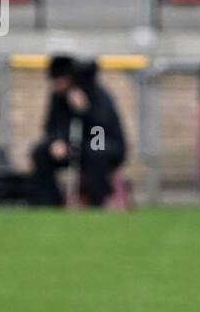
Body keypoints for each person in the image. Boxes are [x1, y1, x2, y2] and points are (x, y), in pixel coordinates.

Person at [30, 56, 128, 207]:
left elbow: (100, 130)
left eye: (60, 81)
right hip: (73, 146)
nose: (56, 85)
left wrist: (84, 110)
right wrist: (57, 141)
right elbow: (51, 125)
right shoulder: (57, 98)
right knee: (41, 152)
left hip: (104, 145)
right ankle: (50, 203)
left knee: (96, 152)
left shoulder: (97, 95)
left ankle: (96, 202)